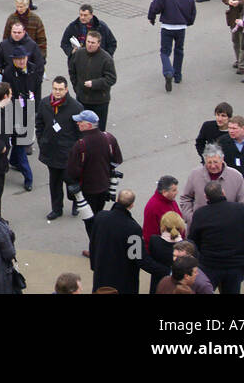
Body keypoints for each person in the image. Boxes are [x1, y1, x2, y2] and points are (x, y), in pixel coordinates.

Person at [187, 180, 244, 294]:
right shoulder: (241, 210)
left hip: (209, 265)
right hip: (235, 266)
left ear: (206, 197)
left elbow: (193, 240)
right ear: (223, 192)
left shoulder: (200, 214)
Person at [89, 189, 160, 293]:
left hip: (102, 274)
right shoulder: (133, 228)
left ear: (117, 200)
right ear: (131, 205)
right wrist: (165, 270)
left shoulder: (100, 217)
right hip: (123, 280)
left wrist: (94, 265)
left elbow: (93, 243)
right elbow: (139, 259)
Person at [65, 110, 122, 240]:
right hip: (104, 186)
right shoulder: (109, 138)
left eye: (81, 122)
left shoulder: (80, 145)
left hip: (88, 189)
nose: (78, 123)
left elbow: (72, 171)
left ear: (89, 125)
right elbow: (117, 160)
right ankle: (99, 243)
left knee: (89, 220)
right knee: (98, 215)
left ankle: (96, 246)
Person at [36, 76, 82, 220]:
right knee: (54, 183)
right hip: (51, 151)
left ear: (66, 89)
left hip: (68, 153)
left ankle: (76, 202)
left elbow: (80, 132)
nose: (57, 92)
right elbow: (39, 124)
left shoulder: (75, 107)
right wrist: (42, 141)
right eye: (55, 89)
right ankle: (56, 209)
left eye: (60, 89)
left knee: (71, 180)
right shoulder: (45, 103)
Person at [147, 0, 197, 91]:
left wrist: (151, 17)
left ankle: (168, 71)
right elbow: (192, 12)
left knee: (165, 52)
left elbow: (155, 6)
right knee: (179, 50)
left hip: (167, 27)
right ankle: (177, 75)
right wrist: (188, 22)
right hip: (181, 27)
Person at [179, 144, 244, 215]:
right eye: (209, 162)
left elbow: (243, 204)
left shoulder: (236, 176)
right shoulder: (194, 175)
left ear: (222, 159)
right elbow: (185, 199)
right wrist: (191, 218)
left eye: (215, 162)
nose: (212, 166)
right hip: (201, 223)